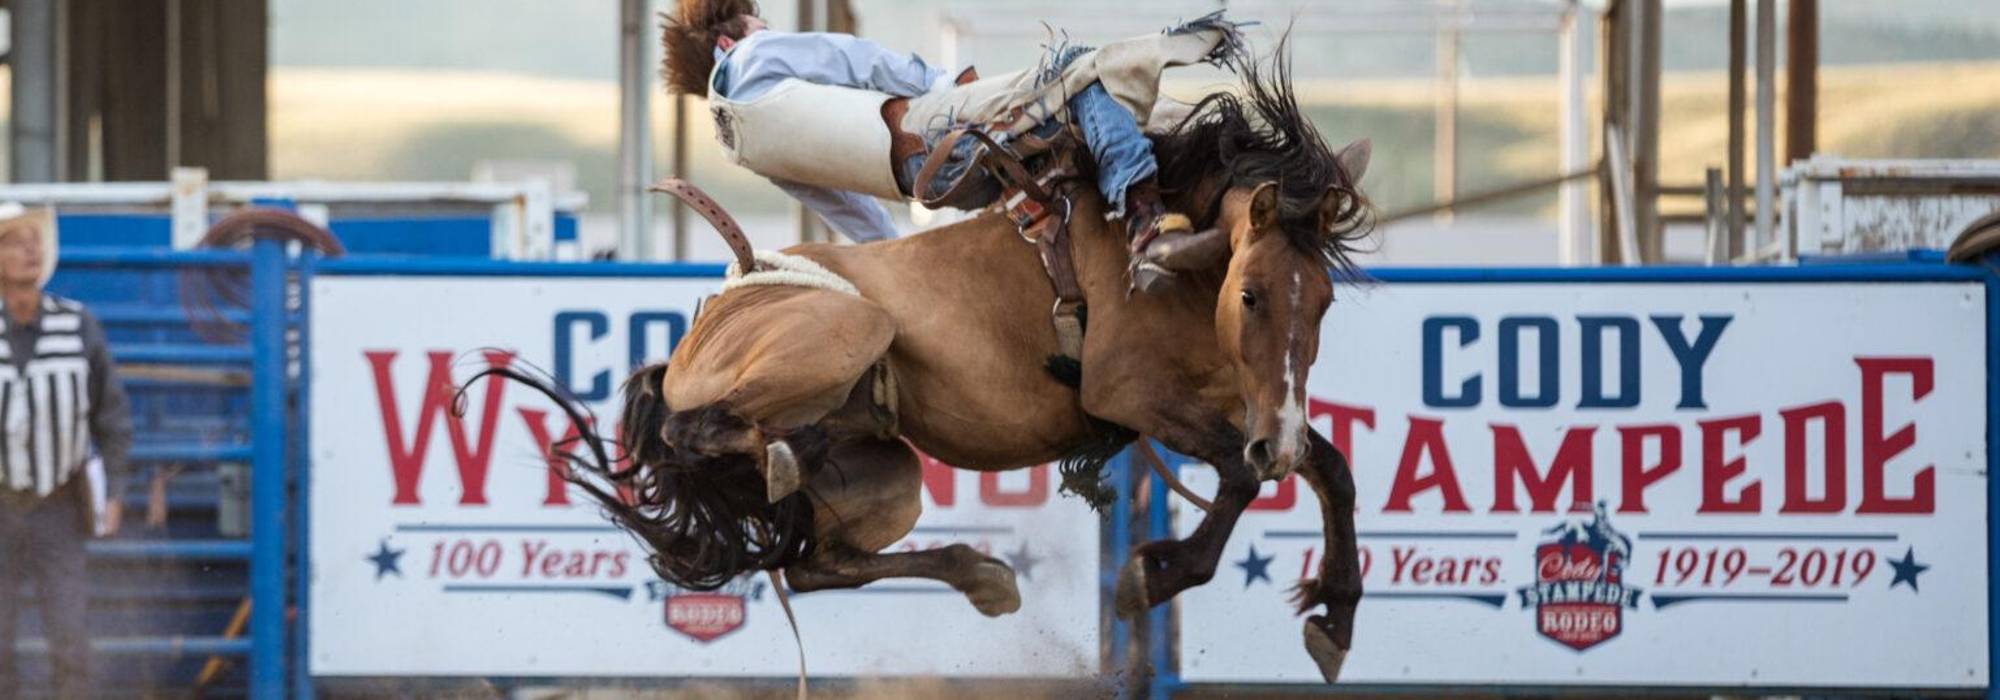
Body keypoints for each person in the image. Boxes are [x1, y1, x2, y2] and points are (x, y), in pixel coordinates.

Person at [662, 0, 1234, 291]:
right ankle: (1145, 217)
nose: (765, 26)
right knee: (1070, 64)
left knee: (1068, 110)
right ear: (726, 37)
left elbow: (837, 201)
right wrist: (944, 85)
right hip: (935, 129)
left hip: (927, 185)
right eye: (755, 19)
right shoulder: (757, 54)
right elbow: (857, 61)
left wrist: (897, 250)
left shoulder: (741, 141)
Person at [0, 203, 133, 699]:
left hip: (58, 502)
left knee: (70, 633)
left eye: (35, 240)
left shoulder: (77, 325)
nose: (31, 250)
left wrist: (114, 491)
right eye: (15, 240)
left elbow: (112, 417)